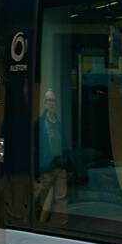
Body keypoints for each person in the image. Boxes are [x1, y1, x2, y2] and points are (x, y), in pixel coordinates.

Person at [35, 88, 71, 225]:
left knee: (61, 198)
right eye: (48, 100)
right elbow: (35, 147)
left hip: (59, 166)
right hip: (46, 167)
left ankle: (60, 225)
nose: (51, 103)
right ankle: (39, 217)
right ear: (44, 103)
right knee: (43, 195)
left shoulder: (59, 124)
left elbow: (64, 145)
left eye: (53, 100)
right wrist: (37, 169)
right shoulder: (39, 123)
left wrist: (66, 164)